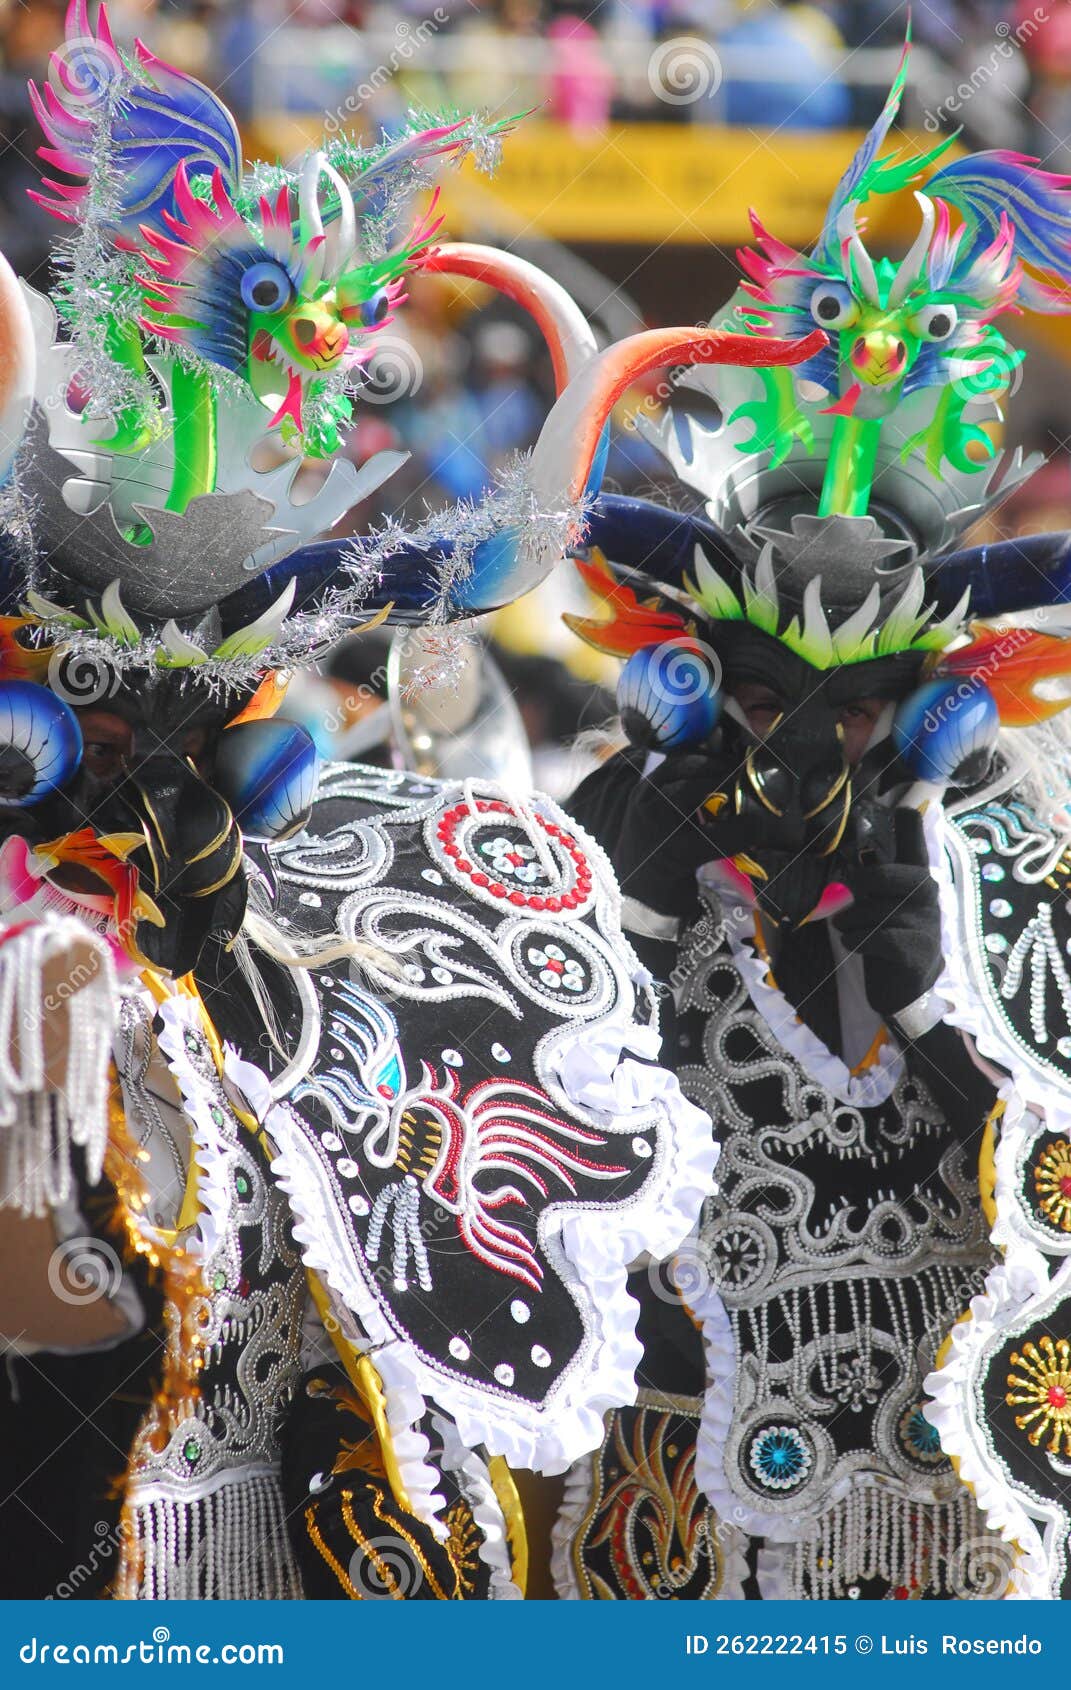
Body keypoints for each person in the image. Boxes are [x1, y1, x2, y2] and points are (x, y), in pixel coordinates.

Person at [557, 35, 1071, 1600]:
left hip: (951, 1506)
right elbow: (535, 1153)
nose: (806, 744)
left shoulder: (1014, 850)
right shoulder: (622, 818)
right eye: (769, 694)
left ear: (936, 696)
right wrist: (636, 920)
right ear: (696, 673)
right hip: (670, 1501)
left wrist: (936, 998)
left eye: (854, 708)